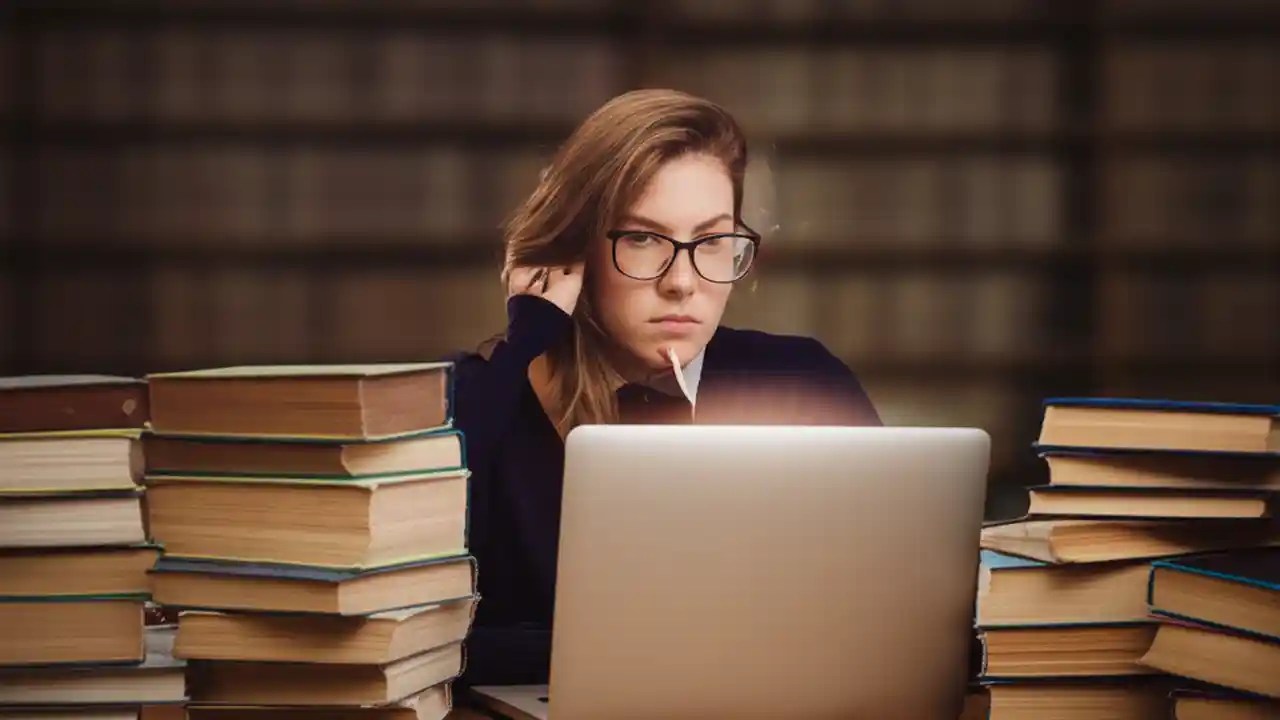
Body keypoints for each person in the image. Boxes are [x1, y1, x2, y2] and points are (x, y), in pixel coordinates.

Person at [452, 89, 881, 685]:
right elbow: (421, 637)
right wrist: (528, 339)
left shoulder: (804, 383)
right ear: (576, 249)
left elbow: (889, 614)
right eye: (642, 239)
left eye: (711, 242)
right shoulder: (484, 399)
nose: (682, 282)